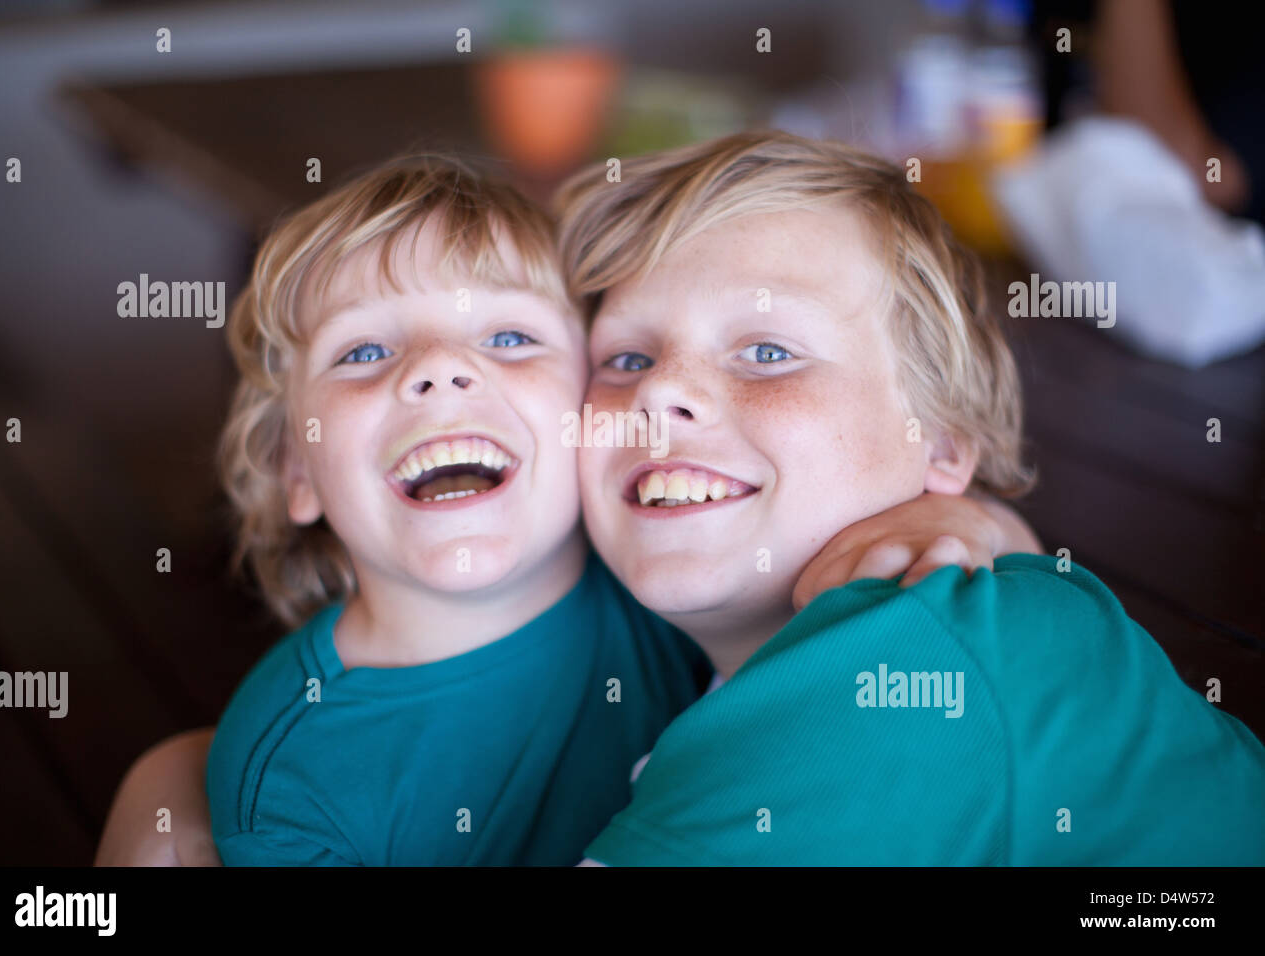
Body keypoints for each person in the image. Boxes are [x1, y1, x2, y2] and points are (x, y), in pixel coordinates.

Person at [95, 151, 1037, 865]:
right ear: (296, 468)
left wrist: (980, 524)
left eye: (508, 336)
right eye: (362, 352)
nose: (439, 369)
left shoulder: (668, 593)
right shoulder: (289, 773)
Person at [556, 130, 1265, 865]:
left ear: (946, 446)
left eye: (768, 353)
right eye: (626, 358)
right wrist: (989, 518)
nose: (658, 387)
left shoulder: (894, 672)